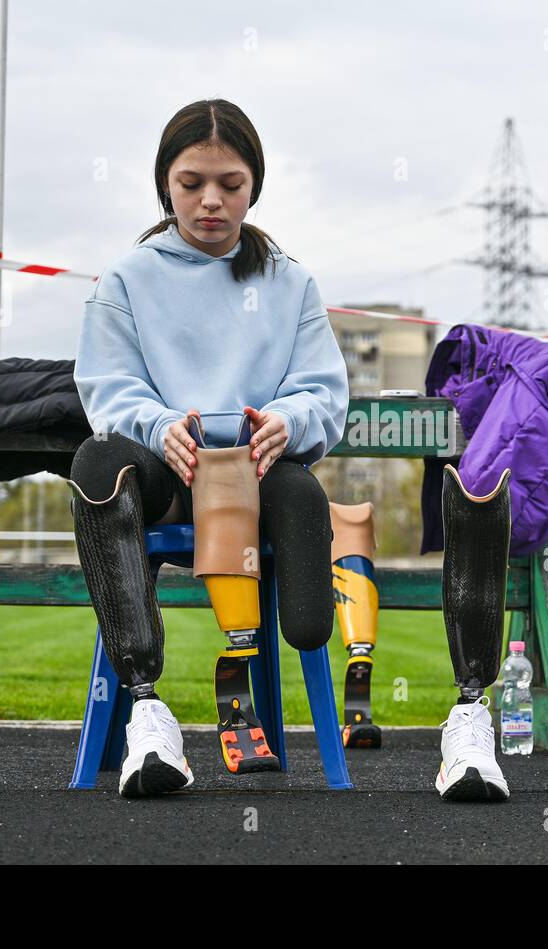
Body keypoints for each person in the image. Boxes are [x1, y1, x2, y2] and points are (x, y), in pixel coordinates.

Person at [67, 99, 349, 797]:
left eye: (231, 183)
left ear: (255, 185)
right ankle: (146, 709)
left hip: (257, 472)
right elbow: (107, 388)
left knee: (302, 517)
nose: (212, 201)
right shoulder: (127, 279)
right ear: (165, 183)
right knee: (99, 464)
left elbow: (324, 393)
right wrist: (158, 424)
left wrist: (288, 419)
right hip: (166, 466)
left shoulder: (290, 281)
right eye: (192, 183)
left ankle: (302, 658)